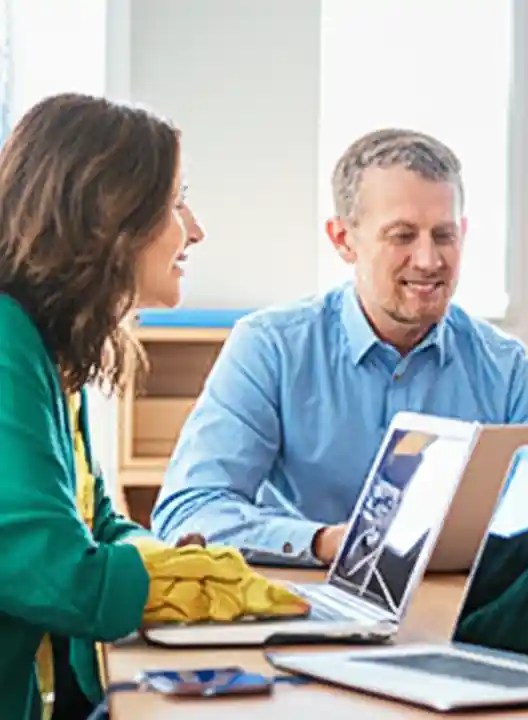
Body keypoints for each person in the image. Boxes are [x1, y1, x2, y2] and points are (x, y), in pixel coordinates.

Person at [0, 94, 306, 720]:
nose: (193, 228)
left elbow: (95, 527)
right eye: (174, 204)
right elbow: (50, 567)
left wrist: (169, 560)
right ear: (107, 220)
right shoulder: (6, 344)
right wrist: (194, 583)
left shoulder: (52, 352)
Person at [151, 128, 528, 565]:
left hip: (446, 613)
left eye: (443, 235)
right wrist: (328, 543)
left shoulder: (502, 366)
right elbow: (188, 514)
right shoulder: (271, 348)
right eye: (402, 236)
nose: (428, 260)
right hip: (305, 606)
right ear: (343, 240)